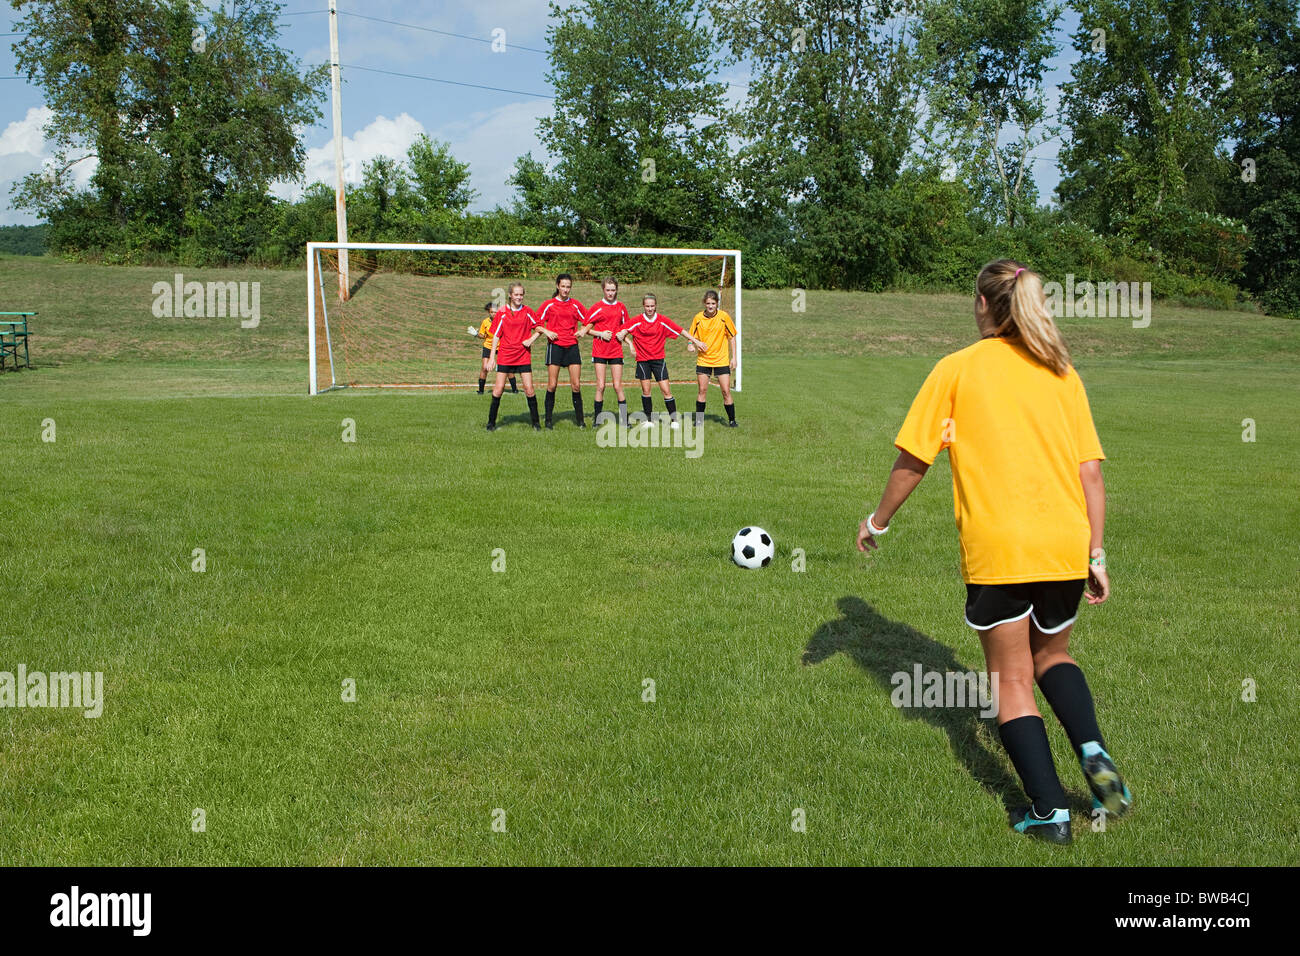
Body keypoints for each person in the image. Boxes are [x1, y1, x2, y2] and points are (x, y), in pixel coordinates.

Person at [856, 259, 1130, 845]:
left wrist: (878, 521)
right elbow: (1091, 474)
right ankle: (1093, 753)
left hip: (1001, 548)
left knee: (1010, 678)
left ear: (984, 304)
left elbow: (914, 460)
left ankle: (1050, 812)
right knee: (1053, 656)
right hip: (1065, 543)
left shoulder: (957, 369)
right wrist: (1097, 554)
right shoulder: (1061, 371)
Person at [617, 293, 707, 428]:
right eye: (647, 306)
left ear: (656, 306)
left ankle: (674, 421)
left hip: (659, 360)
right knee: (646, 390)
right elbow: (620, 332)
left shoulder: (662, 320)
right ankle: (648, 420)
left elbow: (680, 330)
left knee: (666, 390)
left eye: (652, 306)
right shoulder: (637, 320)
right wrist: (627, 340)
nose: (650, 309)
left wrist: (695, 341)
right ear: (643, 306)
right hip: (642, 360)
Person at [485, 283, 542, 431]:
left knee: (529, 389)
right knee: (498, 389)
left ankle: (536, 424)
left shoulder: (528, 311)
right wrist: (492, 358)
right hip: (505, 355)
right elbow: (496, 336)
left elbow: (539, 328)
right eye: (516, 294)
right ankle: (491, 423)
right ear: (510, 295)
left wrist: (531, 339)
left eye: (521, 294)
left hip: (523, 355)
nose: (519, 297)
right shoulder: (502, 313)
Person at [535, 273, 588, 429]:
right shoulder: (549, 305)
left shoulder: (576, 305)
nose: (566, 289)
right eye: (563, 286)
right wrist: (547, 332)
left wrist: (584, 330)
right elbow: (536, 323)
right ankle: (549, 420)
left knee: (576, 385)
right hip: (555, 346)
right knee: (552, 385)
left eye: (568, 287)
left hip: (572, 346)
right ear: (557, 286)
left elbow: (589, 320)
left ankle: (580, 421)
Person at [580, 277, 630, 426]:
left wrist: (625, 336)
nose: (610, 293)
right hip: (600, 351)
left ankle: (624, 420)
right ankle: (597, 420)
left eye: (613, 290)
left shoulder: (621, 307)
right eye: (608, 290)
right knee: (600, 385)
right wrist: (600, 334)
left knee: (617, 386)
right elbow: (585, 330)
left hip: (616, 351)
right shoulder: (597, 307)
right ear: (603, 290)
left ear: (617, 290)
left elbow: (626, 327)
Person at [686, 290, 738, 427]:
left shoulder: (724, 317)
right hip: (704, 360)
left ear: (717, 304)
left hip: (721, 360)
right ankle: (698, 420)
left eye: (713, 303)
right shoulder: (698, 318)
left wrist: (734, 357)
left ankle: (732, 421)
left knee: (726, 391)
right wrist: (690, 345)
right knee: (702, 390)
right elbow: (691, 337)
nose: (710, 306)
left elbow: (732, 337)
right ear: (704, 303)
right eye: (708, 303)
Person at [470, 301, 516, 394]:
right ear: (488, 312)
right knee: (484, 367)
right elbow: (483, 335)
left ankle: (514, 389)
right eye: (491, 312)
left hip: (501, 347)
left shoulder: (503, 320)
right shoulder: (485, 322)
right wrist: (476, 334)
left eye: (495, 312)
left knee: (507, 369)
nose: (494, 314)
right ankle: (481, 391)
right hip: (488, 346)